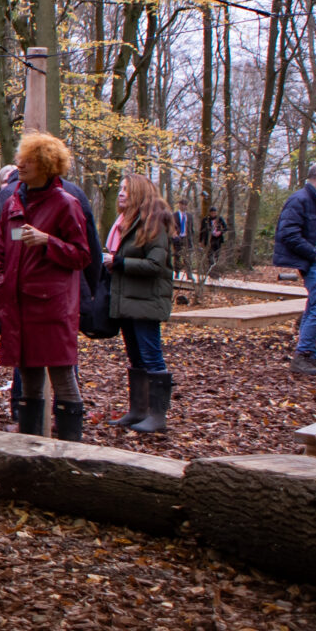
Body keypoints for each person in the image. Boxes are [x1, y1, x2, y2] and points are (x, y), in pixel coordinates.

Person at [0, 133, 92, 438]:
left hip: (51, 307)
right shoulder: (11, 203)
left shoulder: (66, 203)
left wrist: (49, 241)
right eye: (21, 158)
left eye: (29, 160)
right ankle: (30, 444)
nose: (20, 164)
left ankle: (69, 447)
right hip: (18, 305)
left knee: (62, 373)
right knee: (28, 374)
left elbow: (82, 254)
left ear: (47, 165)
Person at [106, 174, 176, 435]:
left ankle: (158, 416)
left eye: (127, 189)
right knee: (135, 358)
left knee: (151, 357)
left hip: (146, 303)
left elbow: (156, 265)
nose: (121, 193)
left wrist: (119, 263)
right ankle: (138, 411)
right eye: (120, 188)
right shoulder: (125, 223)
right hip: (128, 303)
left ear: (139, 193)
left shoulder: (153, 224)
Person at [274, 160, 316, 375]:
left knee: (314, 308)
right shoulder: (300, 200)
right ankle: (302, 355)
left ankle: (309, 357)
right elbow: (288, 233)